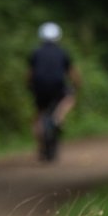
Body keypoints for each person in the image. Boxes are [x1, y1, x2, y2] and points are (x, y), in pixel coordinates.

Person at [27, 22, 80, 161]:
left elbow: (30, 74)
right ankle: (59, 116)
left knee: (39, 116)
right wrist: (76, 85)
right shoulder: (63, 52)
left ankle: (41, 149)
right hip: (58, 87)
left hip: (39, 88)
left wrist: (30, 87)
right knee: (70, 97)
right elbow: (72, 73)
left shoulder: (36, 52)